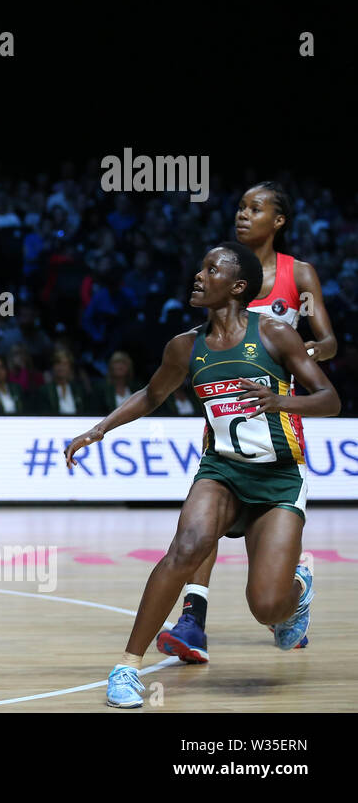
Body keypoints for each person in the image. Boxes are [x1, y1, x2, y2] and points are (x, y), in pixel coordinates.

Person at [65, 242, 339, 708]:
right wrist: (99, 428)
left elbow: (329, 399)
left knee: (267, 607)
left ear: (237, 286)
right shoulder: (184, 346)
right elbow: (151, 396)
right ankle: (127, 667)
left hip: (278, 478)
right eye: (200, 267)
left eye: (211, 269)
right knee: (185, 549)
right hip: (221, 471)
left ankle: (298, 588)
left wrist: (281, 401)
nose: (198, 275)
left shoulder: (275, 334)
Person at [157, 183, 338, 664]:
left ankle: (287, 591)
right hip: (221, 404)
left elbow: (328, 341)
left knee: (262, 580)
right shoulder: (226, 267)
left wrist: (301, 356)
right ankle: (193, 618)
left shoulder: (297, 274)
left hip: (272, 407)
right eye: (240, 207)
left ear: (278, 220)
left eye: (255, 209)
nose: (243, 215)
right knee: (204, 517)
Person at [34, 347, 87, 414]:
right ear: (53, 367)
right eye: (58, 363)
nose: (61, 367)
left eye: (65, 364)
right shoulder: (44, 391)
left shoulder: (78, 390)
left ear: (70, 367)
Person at [92, 350, 137, 415]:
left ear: (129, 367)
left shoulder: (136, 388)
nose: (120, 366)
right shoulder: (101, 389)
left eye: (123, 363)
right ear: (110, 366)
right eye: (116, 363)